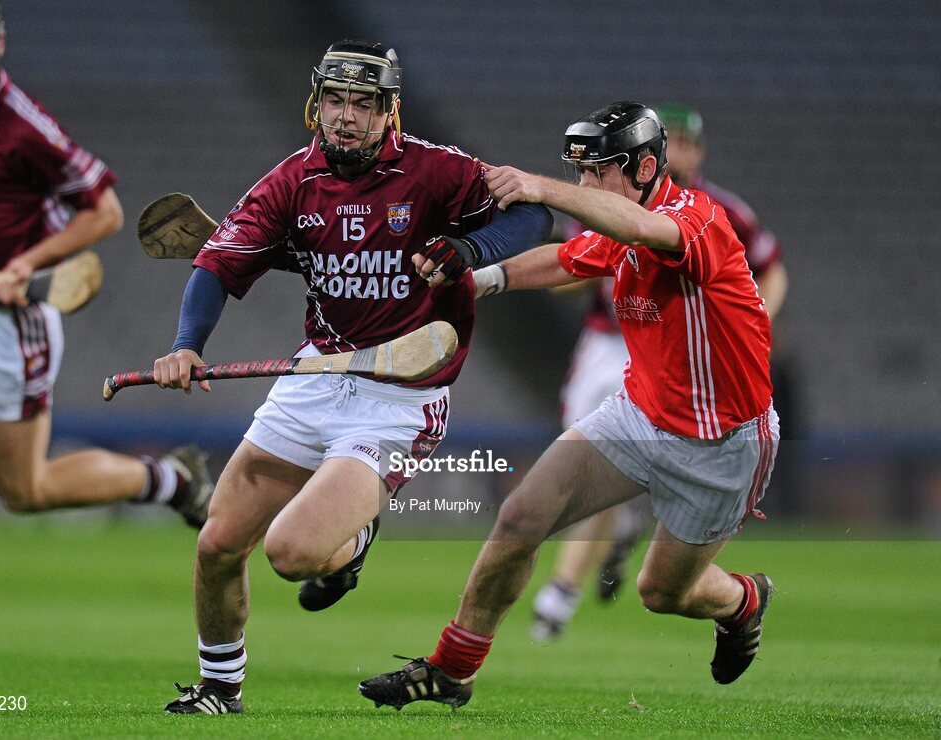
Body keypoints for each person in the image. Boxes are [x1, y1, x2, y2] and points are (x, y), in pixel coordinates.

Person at [154, 40, 552, 715]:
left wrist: (468, 249)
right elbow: (217, 263)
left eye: (362, 104)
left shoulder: (436, 171)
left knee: (289, 552)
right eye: (335, 100)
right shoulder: (293, 180)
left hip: (401, 396)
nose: (345, 117)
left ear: (388, 111)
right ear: (317, 102)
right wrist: (186, 345)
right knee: (218, 543)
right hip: (319, 374)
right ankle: (220, 689)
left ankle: (354, 539)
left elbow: (534, 213)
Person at [359, 101, 779, 710]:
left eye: (596, 172)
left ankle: (744, 601)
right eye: (577, 173)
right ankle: (452, 670)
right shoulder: (619, 224)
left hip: (725, 443)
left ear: (643, 169)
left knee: (662, 592)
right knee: (520, 518)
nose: (584, 187)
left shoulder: (695, 219)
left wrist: (540, 188)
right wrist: (473, 279)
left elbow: (637, 231)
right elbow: (564, 258)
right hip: (639, 416)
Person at [0, 1, 212, 526]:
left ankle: (169, 479)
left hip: (8, 325)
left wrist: (24, 263)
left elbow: (105, 212)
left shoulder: (22, 126)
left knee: (24, 490)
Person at [529, 103, 788, 641]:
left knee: (662, 588)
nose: (684, 151)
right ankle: (567, 585)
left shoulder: (718, 210)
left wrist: (749, 314)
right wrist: (489, 276)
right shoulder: (603, 195)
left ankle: (624, 534)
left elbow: (768, 266)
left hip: (692, 365)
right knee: (575, 467)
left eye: (689, 142)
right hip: (613, 341)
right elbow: (572, 268)